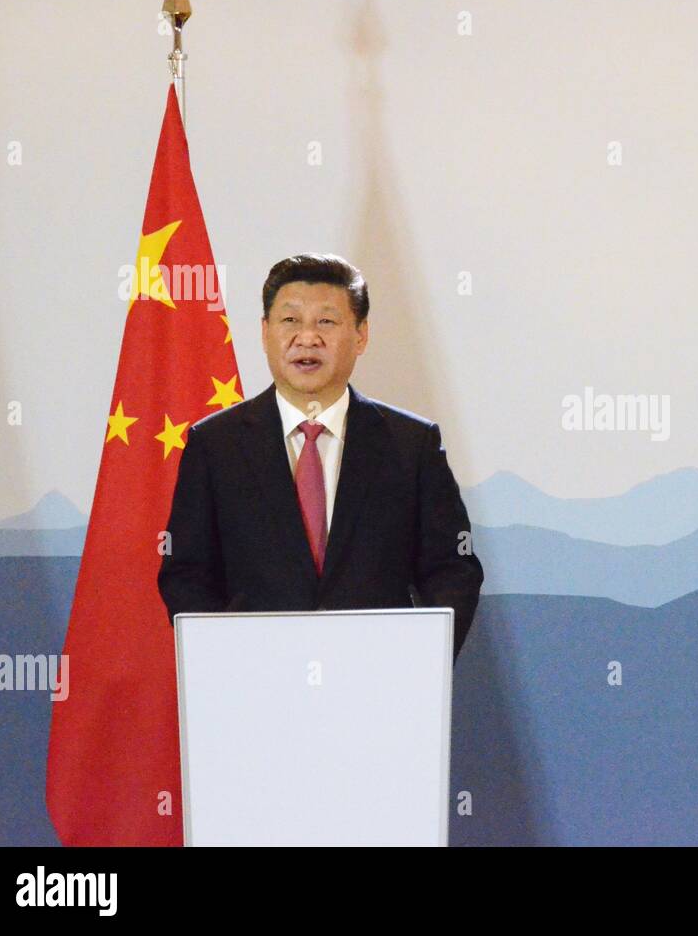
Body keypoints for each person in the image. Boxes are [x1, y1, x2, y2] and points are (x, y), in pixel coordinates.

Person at [158, 253, 483, 660]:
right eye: (290, 320)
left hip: (378, 679)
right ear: (264, 332)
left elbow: (452, 569)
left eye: (326, 322)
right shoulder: (215, 445)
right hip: (254, 682)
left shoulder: (411, 444)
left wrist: (420, 663)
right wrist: (225, 661)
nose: (307, 338)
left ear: (361, 335)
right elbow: (186, 574)